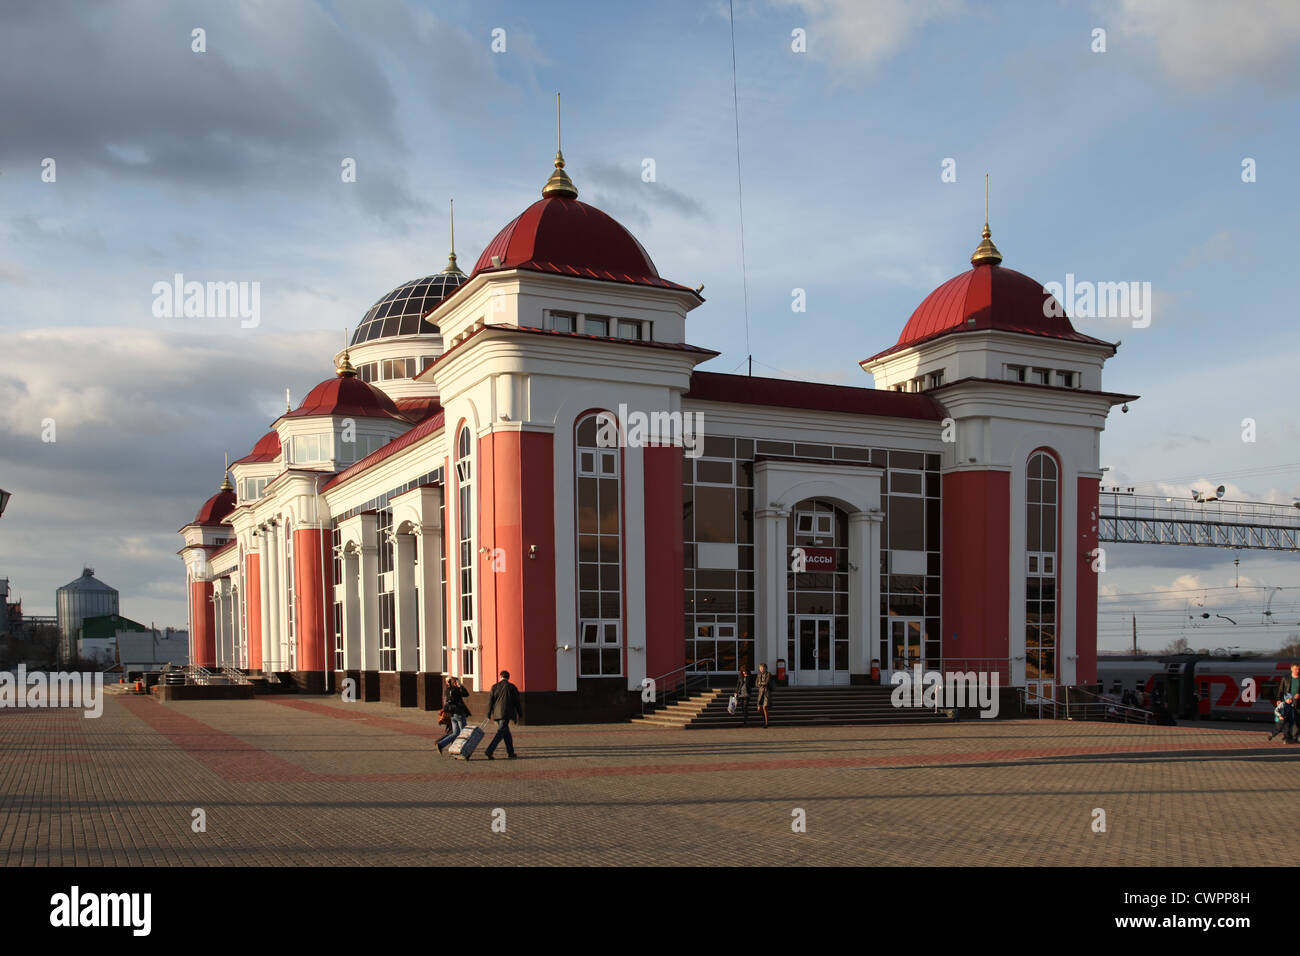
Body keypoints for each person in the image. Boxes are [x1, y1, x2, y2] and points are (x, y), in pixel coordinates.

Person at [485, 670, 522, 760]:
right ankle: (489, 750)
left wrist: (488, 714)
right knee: (501, 733)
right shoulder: (512, 687)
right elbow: (517, 702)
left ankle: (511, 753)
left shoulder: (494, 687)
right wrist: (520, 713)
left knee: (506, 734)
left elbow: (490, 701)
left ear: (500, 677)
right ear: (508, 678)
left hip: (497, 714)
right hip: (506, 713)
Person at [436, 676, 470, 754]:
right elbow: (466, 694)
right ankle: (462, 749)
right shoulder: (456, 690)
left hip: (452, 714)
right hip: (459, 713)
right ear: (454, 682)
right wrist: (460, 685)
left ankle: (441, 744)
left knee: (455, 733)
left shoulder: (447, 690)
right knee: (463, 732)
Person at [1277, 664, 1300, 743]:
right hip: (1287, 703)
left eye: (1298, 669)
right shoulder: (1285, 678)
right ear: (1291, 669)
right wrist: (1278, 699)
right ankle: (1287, 737)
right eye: (1296, 669)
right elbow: (1281, 689)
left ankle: (1294, 737)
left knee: (1298, 721)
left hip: (1298, 703)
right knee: (1287, 721)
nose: (1297, 671)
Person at [754, 662, 773, 728]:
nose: (761, 669)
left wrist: (760, 683)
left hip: (766, 692)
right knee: (759, 708)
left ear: (765, 668)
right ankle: (766, 718)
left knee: (765, 707)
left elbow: (766, 682)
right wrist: (760, 683)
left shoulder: (768, 674)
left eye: (762, 668)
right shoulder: (758, 674)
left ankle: (766, 723)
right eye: (760, 668)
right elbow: (756, 683)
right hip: (760, 692)